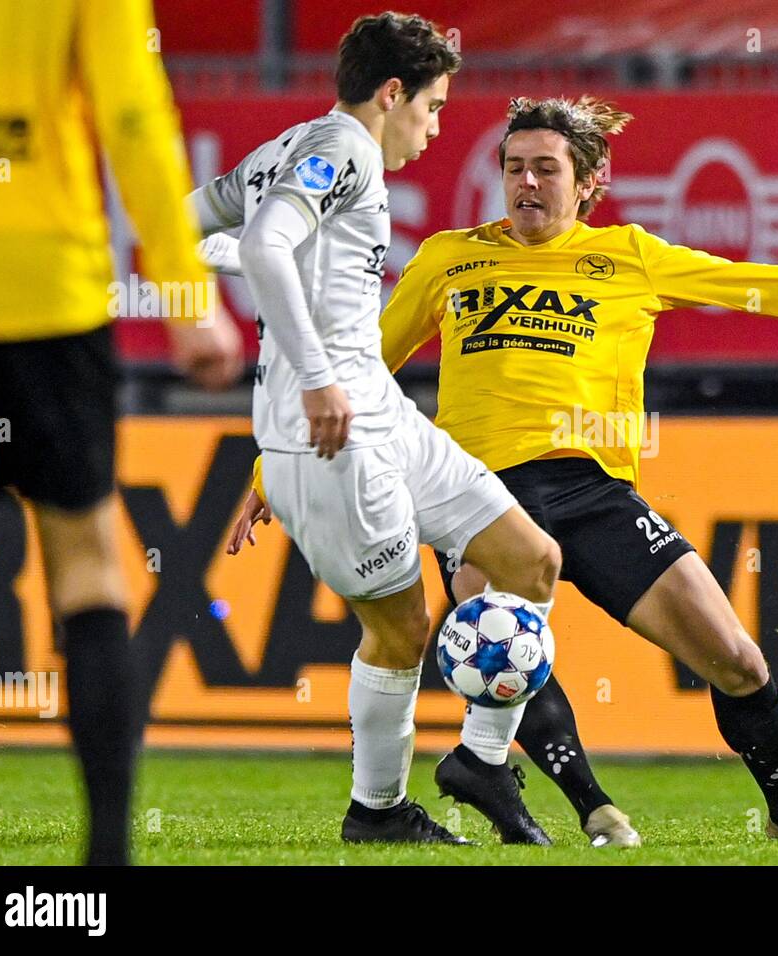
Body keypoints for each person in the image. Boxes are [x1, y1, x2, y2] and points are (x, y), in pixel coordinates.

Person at [231, 95, 778, 842]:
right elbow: (353, 372)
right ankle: (595, 808)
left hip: (594, 492)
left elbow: (751, 285)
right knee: (505, 649)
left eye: (546, 169)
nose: (526, 183)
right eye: (513, 168)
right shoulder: (448, 257)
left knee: (736, 658)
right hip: (479, 493)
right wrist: (269, 471)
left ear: (590, 181)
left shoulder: (629, 258)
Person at [193, 12, 572, 845]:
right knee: (399, 629)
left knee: (531, 558)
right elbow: (265, 244)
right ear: (392, 92)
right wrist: (317, 376)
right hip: (330, 435)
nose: (435, 129)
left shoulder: (284, 149)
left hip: (382, 414)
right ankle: (377, 812)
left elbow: (195, 230)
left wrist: (246, 263)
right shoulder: (347, 150)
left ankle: (479, 762)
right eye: (432, 107)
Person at [0, 0, 244, 864]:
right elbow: (132, 116)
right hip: (41, 282)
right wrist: (187, 291)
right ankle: (106, 864)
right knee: (85, 559)